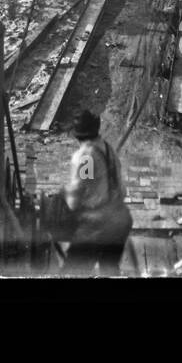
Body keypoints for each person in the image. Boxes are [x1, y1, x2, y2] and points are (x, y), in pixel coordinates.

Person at [63, 110, 132, 275]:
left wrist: (66, 198)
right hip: (120, 220)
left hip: (98, 226)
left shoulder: (85, 156)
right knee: (109, 270)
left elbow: (76, 196)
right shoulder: (109, 149)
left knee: (72, 272)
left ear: (77, 134)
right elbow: (121, 191)